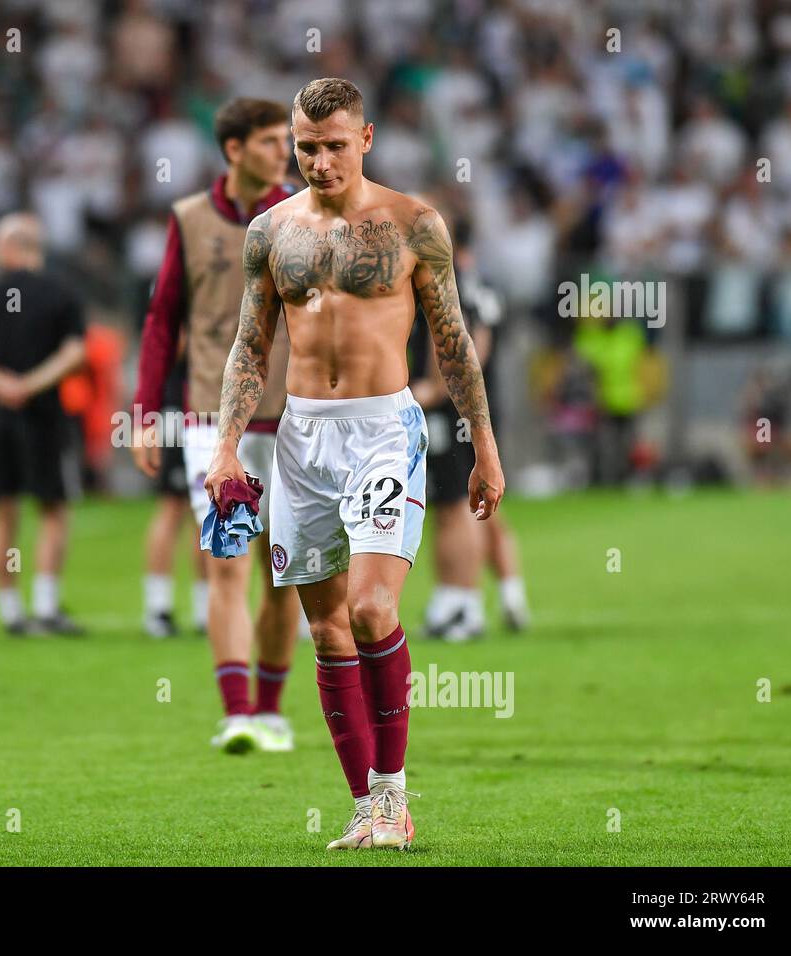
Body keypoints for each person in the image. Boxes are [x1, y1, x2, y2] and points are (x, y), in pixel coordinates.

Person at [204, 78, 504, 851]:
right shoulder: (271, 232)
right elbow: (250, 345)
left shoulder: (414, 224)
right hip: (302, 436)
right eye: (306, 147)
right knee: (328, 631)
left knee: (371, 609)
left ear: (365, 139)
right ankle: (369, 806)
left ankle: (394, 792)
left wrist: (484, 444)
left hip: (382, 431)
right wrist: (225, 445)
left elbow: (453, 343)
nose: (320, 161)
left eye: (335, 145)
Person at [132, 97, 301, 754]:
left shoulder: (303, 215)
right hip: (212, 419)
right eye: (269, 141)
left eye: (284, 141)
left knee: (283, 571)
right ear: (233, 149)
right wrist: (146, 413)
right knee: (226, 564)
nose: (283, 152)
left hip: (291, 417)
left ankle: (272, 709)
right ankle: (238, 714)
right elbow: (161, 321)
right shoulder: (189, 218)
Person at [0, 213, 86, 636]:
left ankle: (11, 611)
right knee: (52, 511)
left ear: (7, 247)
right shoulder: (60, 294)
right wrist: (30, 384)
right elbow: (74, 353)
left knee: (3, 514)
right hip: (43, 415)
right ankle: (45, 607)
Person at [409, 222, 529, 638]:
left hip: (453, 410)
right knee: (462, 505)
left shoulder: (450, 277)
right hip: (472, 408)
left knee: (457, 505)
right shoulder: (476, 280)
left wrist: (432, 390)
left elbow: (464, 345)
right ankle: (471, 598)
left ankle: (463, 603)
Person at [140, 352, 208, 638]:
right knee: (173, 507)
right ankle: (158, 607)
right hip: (180, 411)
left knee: (205, 511)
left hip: (205, 411)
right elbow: (170, 347)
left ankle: (206, 610)